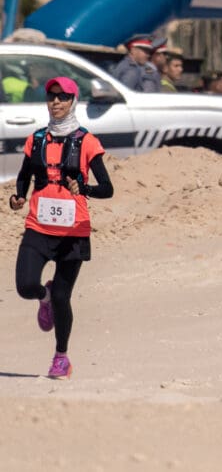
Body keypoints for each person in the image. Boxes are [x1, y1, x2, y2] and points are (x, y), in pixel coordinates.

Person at [9, 77, 114, 379]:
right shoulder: (37, 139)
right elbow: (24, 176)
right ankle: (43, 297)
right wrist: (18, 197)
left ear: (73, 101)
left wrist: (84, 188)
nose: (56, 102)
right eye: (51, 96)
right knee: (25, 286)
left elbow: (107, 188)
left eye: (63, 97)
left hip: (73, 231)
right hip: (38, 226)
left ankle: (61, 357)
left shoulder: (87, 141)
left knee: (62, 297)